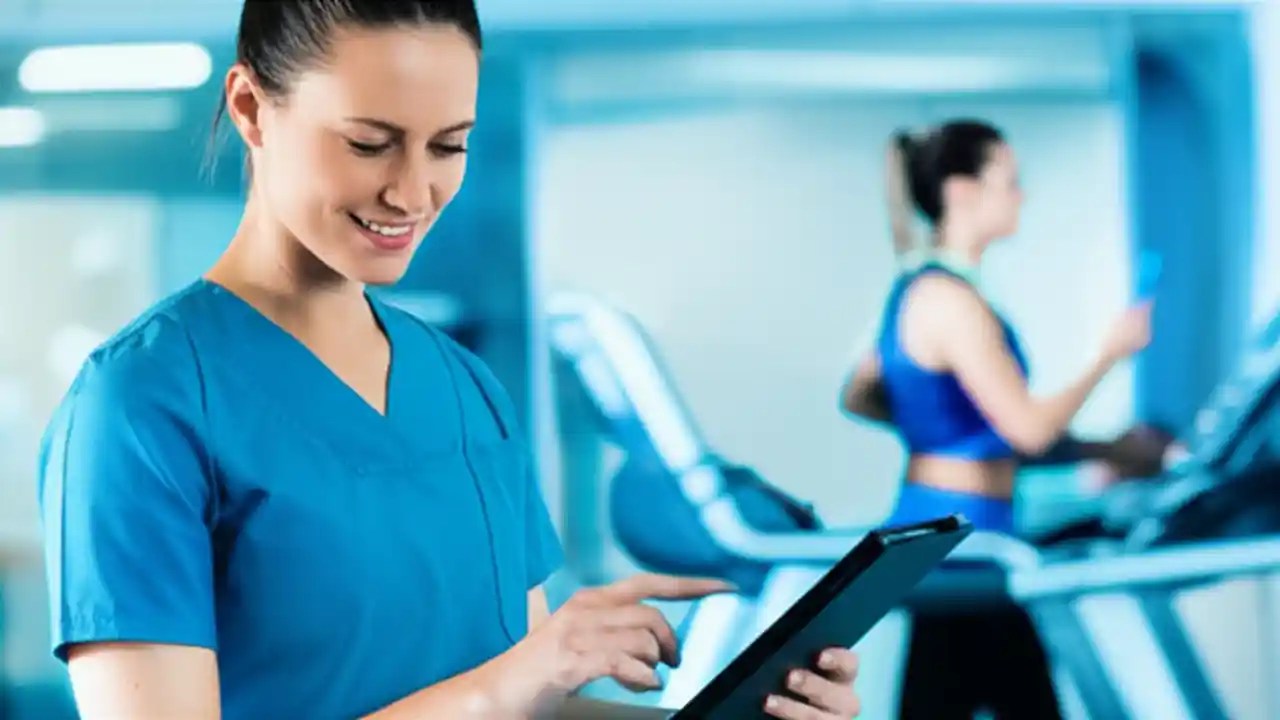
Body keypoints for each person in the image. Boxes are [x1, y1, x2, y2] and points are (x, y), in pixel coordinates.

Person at [34, 2, 863, 719]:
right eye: (369, 143)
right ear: (252, 107)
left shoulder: (466, 389)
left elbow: (527, 707)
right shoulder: (143, 404)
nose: (412, 192)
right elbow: (509, 688)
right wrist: (516, 679)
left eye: (449, 147)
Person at [838, 119, 1159, 719]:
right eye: (1010, 182)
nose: (1021, 196)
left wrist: (1106, 451)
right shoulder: (950, 301)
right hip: (960, 539)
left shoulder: (926, 288)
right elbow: (1028, 430)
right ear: (962, 192)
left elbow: (860, 395)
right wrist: (1109, 356)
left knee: (967, 692)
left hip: (967, 530)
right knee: (1006, 695)